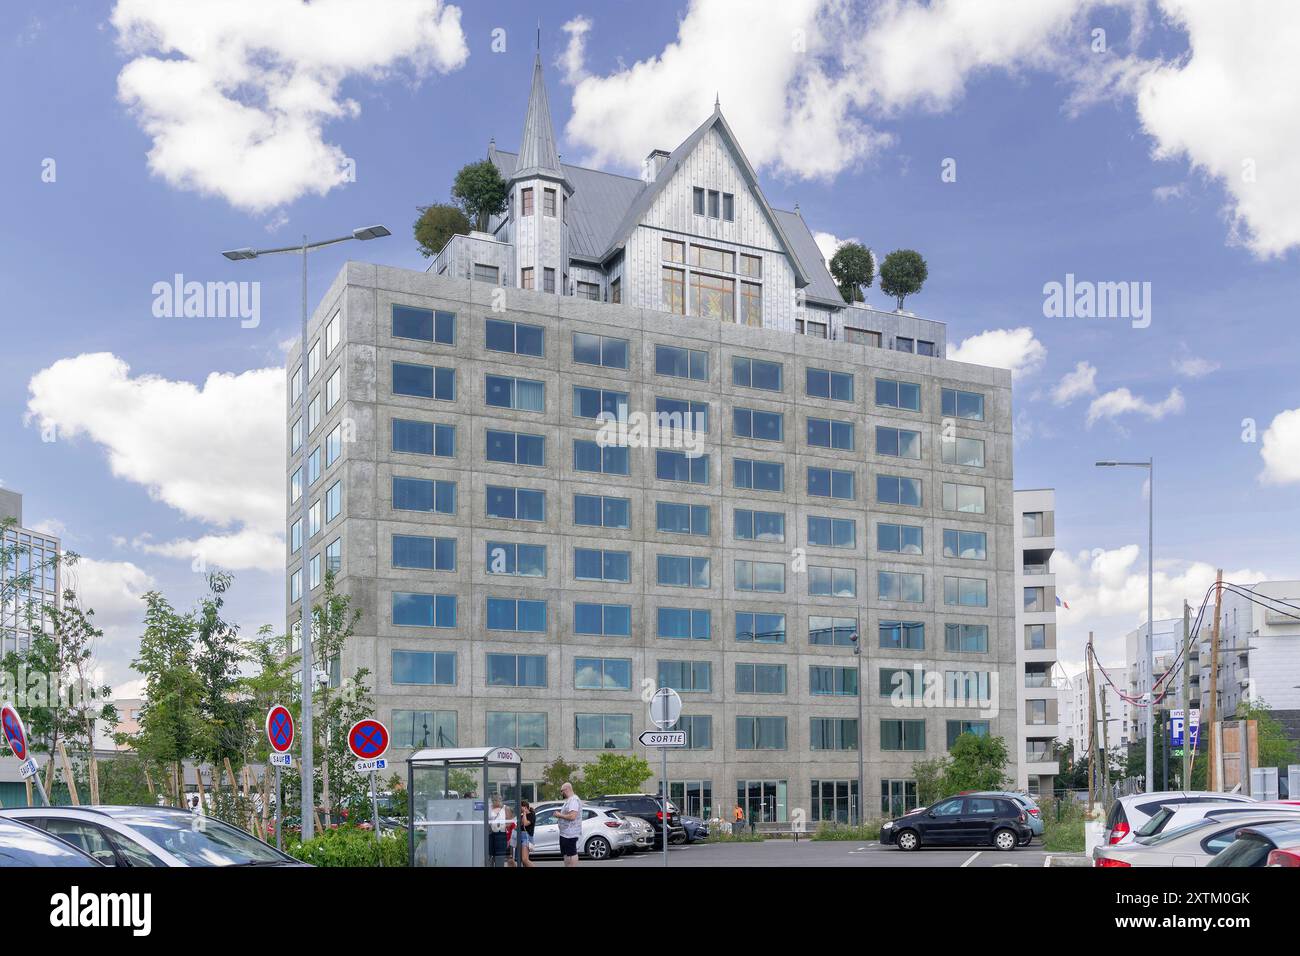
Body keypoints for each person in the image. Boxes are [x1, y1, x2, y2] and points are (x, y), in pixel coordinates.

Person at [557, 782, 583, 867]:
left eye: (562, 791)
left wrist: (559, 815)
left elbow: (572, 816)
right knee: (566, 853)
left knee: (571, 853)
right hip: (565, 833)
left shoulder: (574, 800)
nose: (561, 793)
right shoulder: (569, 800)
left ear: (566, 789)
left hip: (570, 833)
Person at [488, 796, 508, 867]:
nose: (496, 801)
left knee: (499, 856)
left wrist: (504, 826)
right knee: (489, 855)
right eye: (495, 800)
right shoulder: (489, 808)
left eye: (498, 800)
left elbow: (511, 821)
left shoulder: (505, 808)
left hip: (501, 835)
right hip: (490, 834)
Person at [518, 800, 536, 868]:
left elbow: (525, 823)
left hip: (527, 837)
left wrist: (525, 813)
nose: (519, 809)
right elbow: (520, 825)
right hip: (521, 837)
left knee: (525, 859)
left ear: (525, 807)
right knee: (523, 861)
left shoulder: (531, 815)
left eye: (520, 807)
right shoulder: (522, 815)